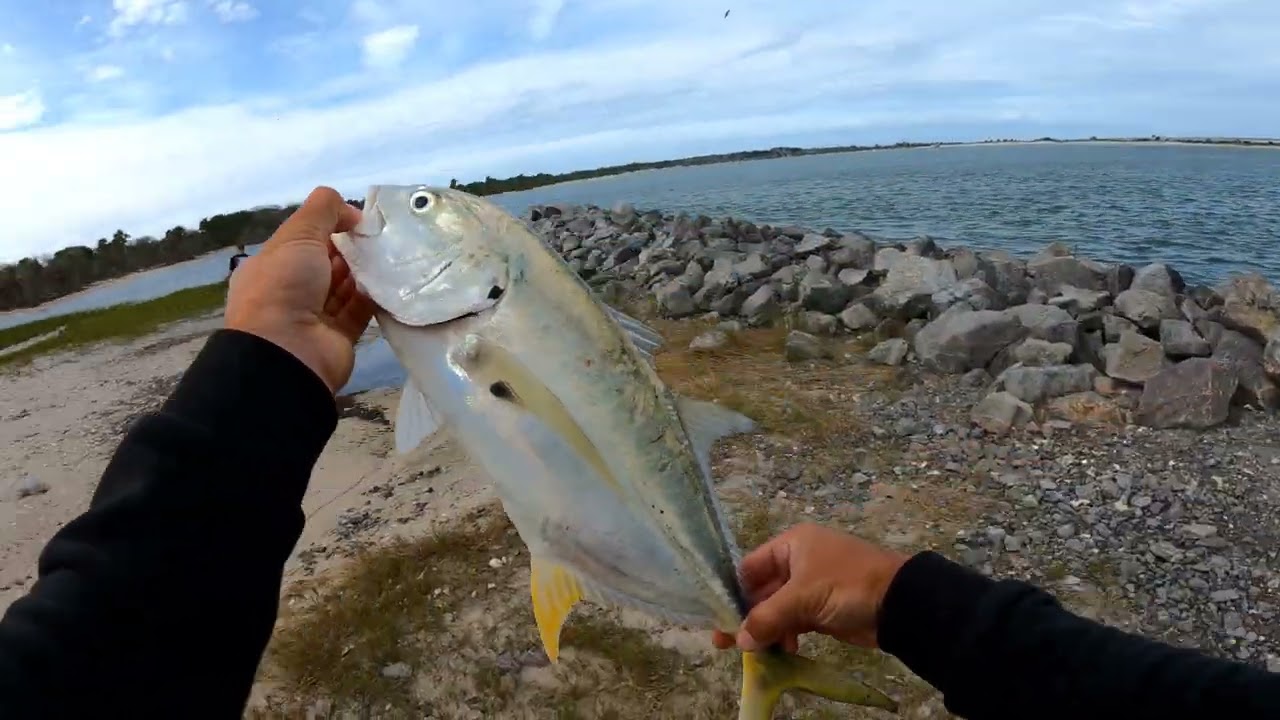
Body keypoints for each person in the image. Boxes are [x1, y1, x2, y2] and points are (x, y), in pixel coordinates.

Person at [0, 187, 1274, 719]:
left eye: (423, 211)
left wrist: (264, 358)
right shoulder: (468, 317)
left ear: (470, 265)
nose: (394, 210)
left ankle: (750, 654)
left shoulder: (483, 317)